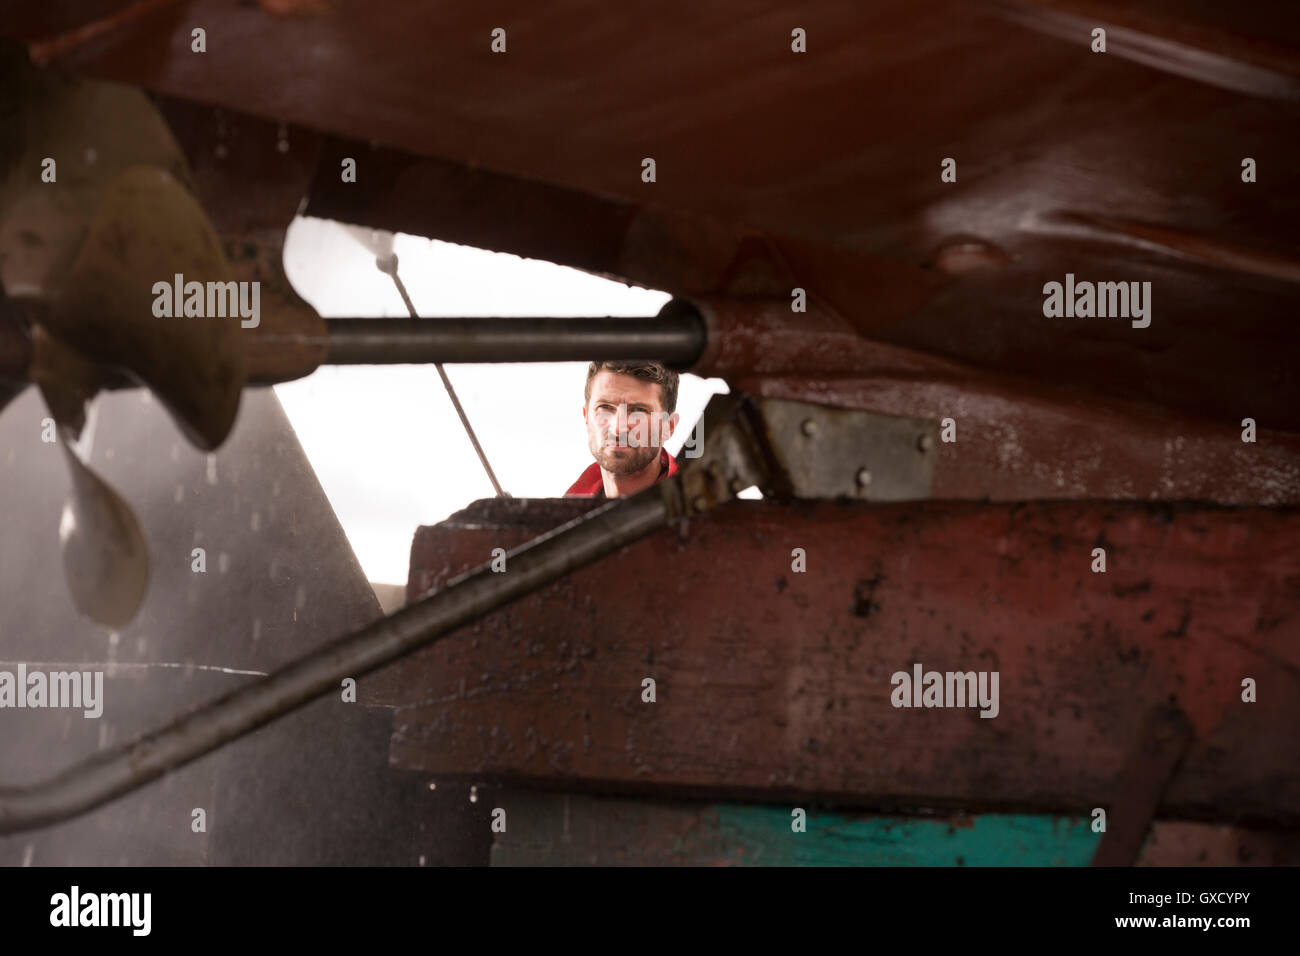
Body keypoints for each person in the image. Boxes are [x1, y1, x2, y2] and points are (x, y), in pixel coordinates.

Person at [565, 360, 680, 498]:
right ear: (586, 417)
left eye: (638, 410)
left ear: (669, 426)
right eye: (605, 407)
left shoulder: (704, 507)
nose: (618, 429)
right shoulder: (565, 513)